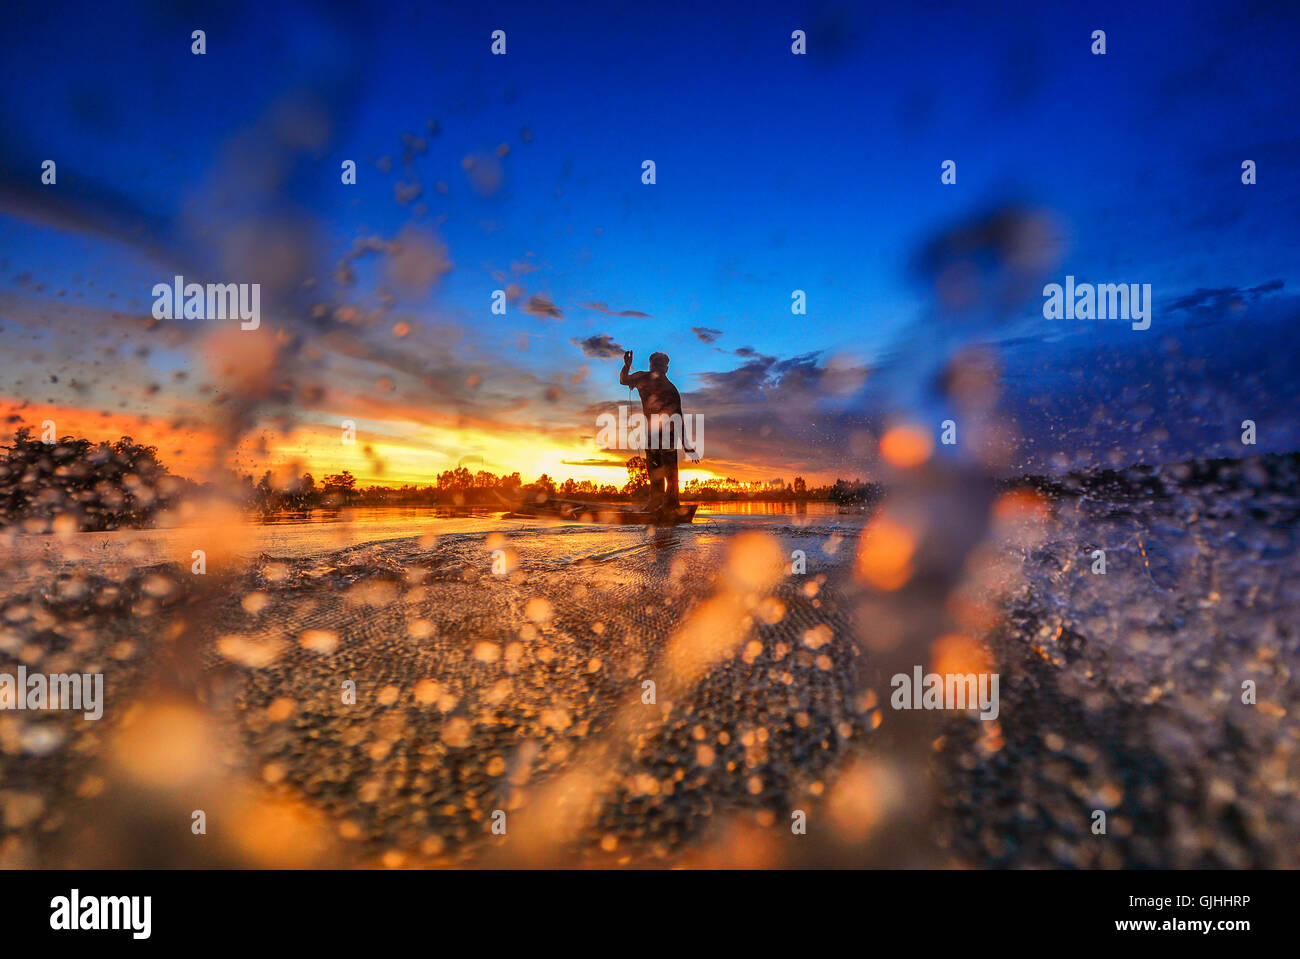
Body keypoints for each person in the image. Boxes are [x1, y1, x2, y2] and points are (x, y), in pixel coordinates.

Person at [619, 350, 694, 511]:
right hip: (652, 432)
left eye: (660, 366)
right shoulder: (642, 378)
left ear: (666, 369)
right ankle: (656, 501)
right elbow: (624, 380)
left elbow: (678, 417)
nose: (657, 369)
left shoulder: (670, 390)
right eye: (654, 365)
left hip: (669, 433)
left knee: (669, 469)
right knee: (654, 468)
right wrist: (626, 366)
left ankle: (671, 503)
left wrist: (686, 443)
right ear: (650, 366)